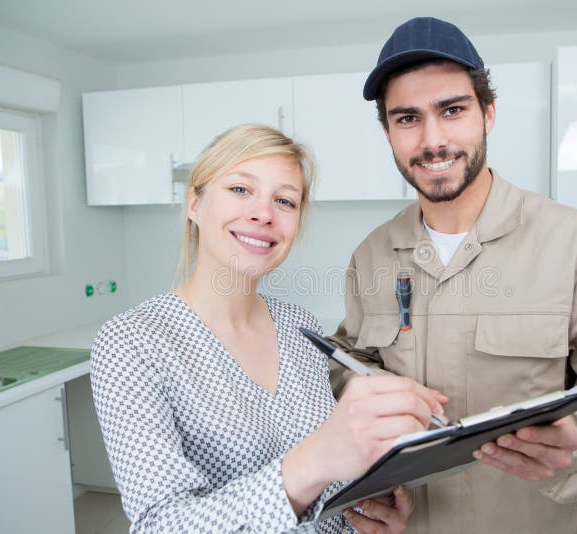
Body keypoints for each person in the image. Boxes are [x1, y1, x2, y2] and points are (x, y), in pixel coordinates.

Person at [329, 17, 577, 534]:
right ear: (388, 133)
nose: (433, 139)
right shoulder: (372, 255)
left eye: (452, 110)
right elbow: (350, 363)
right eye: (407, 119)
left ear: (488, 112)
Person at [90, 124, 449, 533]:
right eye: (241, 190)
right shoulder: (132, 342)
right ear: (195, 202)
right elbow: (159, 526)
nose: (263, 213)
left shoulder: (301, 327)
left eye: (284, 200)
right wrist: (315, 458)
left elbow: (327, 487)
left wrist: (365, 514)